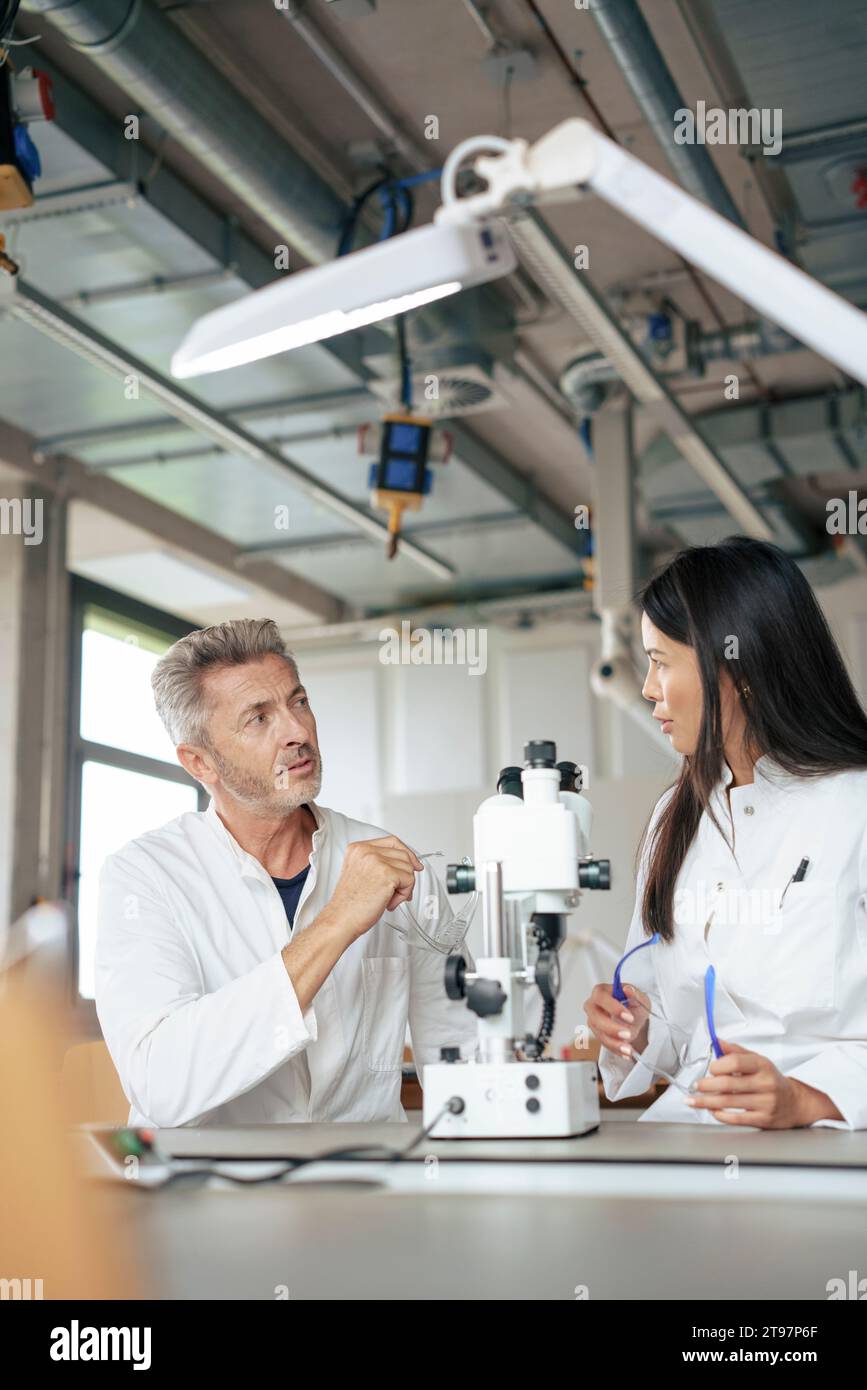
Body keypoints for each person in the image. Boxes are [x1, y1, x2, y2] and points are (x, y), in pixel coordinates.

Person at [96, 619, 476, 1128]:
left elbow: (466, 1060)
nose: (297, 731)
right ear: (199, 762)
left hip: (368, 1190)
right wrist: (337, 922)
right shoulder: (144, 878)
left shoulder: (394, 865)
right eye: (259, 718)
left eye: (298, 702)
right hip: (210, 1195)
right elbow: (160, 1083)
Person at [586, 536, 867, 1129]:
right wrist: (633, 1027)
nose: (647, 688)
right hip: (685, 1139)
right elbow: (669, 1023)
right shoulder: (675, 817)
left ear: (734, 667)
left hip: (829, 1151)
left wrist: (809, 1098)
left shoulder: (854, 805)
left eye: (661, 662)